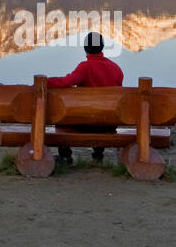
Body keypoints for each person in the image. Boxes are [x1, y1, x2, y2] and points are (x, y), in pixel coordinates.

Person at [46, 31, 123, 164]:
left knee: (62, 116)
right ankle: (98, 153)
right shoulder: (116, 69)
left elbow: (67, 81)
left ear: (85, 48)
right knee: (102, 111)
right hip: (109, 123)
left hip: (87, 123)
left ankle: (66, 156)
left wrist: (45, 81)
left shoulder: (85, 67)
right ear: (102, 47)